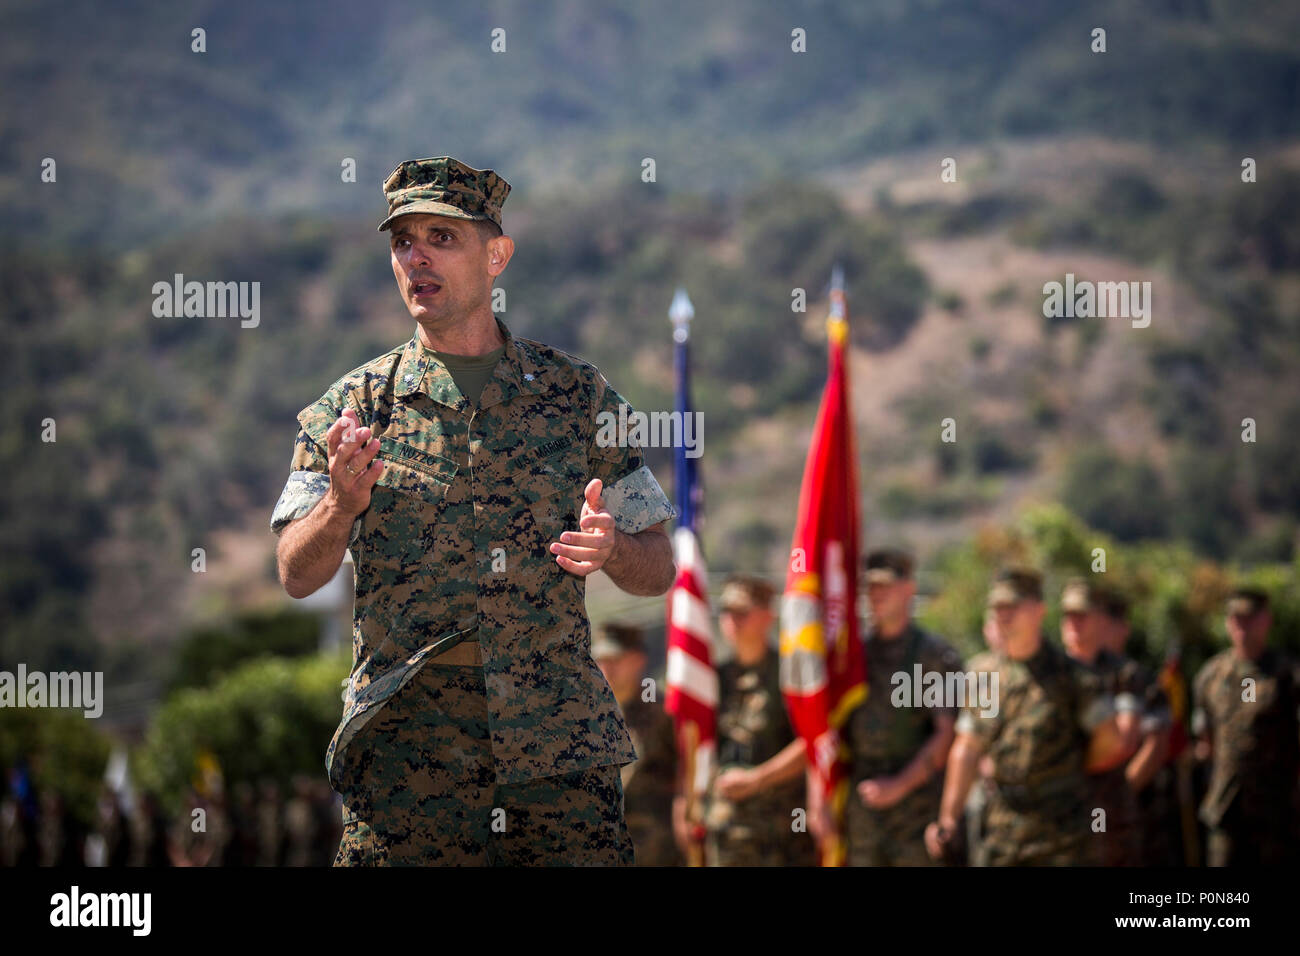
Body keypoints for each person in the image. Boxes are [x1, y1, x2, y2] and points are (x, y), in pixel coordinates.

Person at [271, 156, 676, 866]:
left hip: (557, 756)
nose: (416, 255)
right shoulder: (353, 410)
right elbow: (295, 574)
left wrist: (613, 550)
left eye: (441, 236)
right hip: (408, 764)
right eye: (401, 240)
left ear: (497, 257)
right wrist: (339, 506)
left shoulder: (577, 398)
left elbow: (659, 567)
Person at [926, 568, 1133, 866]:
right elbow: (967, 748)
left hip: (1063, 837)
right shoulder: (982, 675)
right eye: (997, 607)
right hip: (1002, 833)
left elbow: (1110, 741)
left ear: (1039, 611)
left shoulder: (1073, 677)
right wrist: (948, 817)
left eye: (1012, 607)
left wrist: (1064, 767)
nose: (1003, 615)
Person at [839, 548, 962, 866]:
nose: (876, 595)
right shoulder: (853, 656)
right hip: (862, 808)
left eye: (886, 586)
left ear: (909, 589)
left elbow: (946, 735)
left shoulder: (934, 656)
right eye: (870, 587)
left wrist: (898, 786)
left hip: (915, 811)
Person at [701, 574, 817, 866]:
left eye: (742, 612)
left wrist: (756, 779)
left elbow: (814, 741)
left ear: (767, 616)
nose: (731, 620)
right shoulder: (714, 678)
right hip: (726, 828)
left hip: (780, 831)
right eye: (727, 612)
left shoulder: (790, 676)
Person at [1192, 588, 1300, 866]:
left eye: (1250, 618)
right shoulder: (1211, 675)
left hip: (1277, 813)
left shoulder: (1287, 674)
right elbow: (1204, 739)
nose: (1242, 625)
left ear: (1266, 620)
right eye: (1236, 618)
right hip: (1226, 809)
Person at [1060, 579, 1154, 866]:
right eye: (1068, 615)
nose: (1074, 623)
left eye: (1083, 615)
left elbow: (1125, 742)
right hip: (1058, 812)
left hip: (1107, 811)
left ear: (1100, 621)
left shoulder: (1124, 674)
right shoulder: (1051, 672)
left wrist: (1060, 765)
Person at [592, 623, 683, 866]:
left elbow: (687, 769)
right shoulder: (587, 714)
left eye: (615, 659)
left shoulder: (662, 711)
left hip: (656, 846)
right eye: (601, 659)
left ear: (637, 660)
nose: (607, 668)